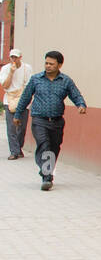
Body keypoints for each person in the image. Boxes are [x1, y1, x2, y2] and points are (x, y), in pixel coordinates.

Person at [14, 51, 86, 190]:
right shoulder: (36, 79)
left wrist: (81, 105)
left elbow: (75, 94)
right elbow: (25, 97)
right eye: (46, 63)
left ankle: (46, 170)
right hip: (39, 120)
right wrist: (17, 115)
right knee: (44, 144)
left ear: (59, 65)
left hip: (57, 121)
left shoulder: (66, 81)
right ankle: (47, 177)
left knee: (54, 148)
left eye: (51, 64)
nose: (48, 66)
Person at [2, 50, 33, 159]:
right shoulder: (5, 69)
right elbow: (5, 86)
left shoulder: (27, 68)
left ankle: (18, 148)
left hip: (23, 100)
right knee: (11, 127)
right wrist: (11, 73)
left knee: (22, 127)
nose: (13, 60)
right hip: (9, 100)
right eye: (12, 57)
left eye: (16, 57)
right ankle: (14, 152)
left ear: (20, 57)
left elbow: (30, 85)